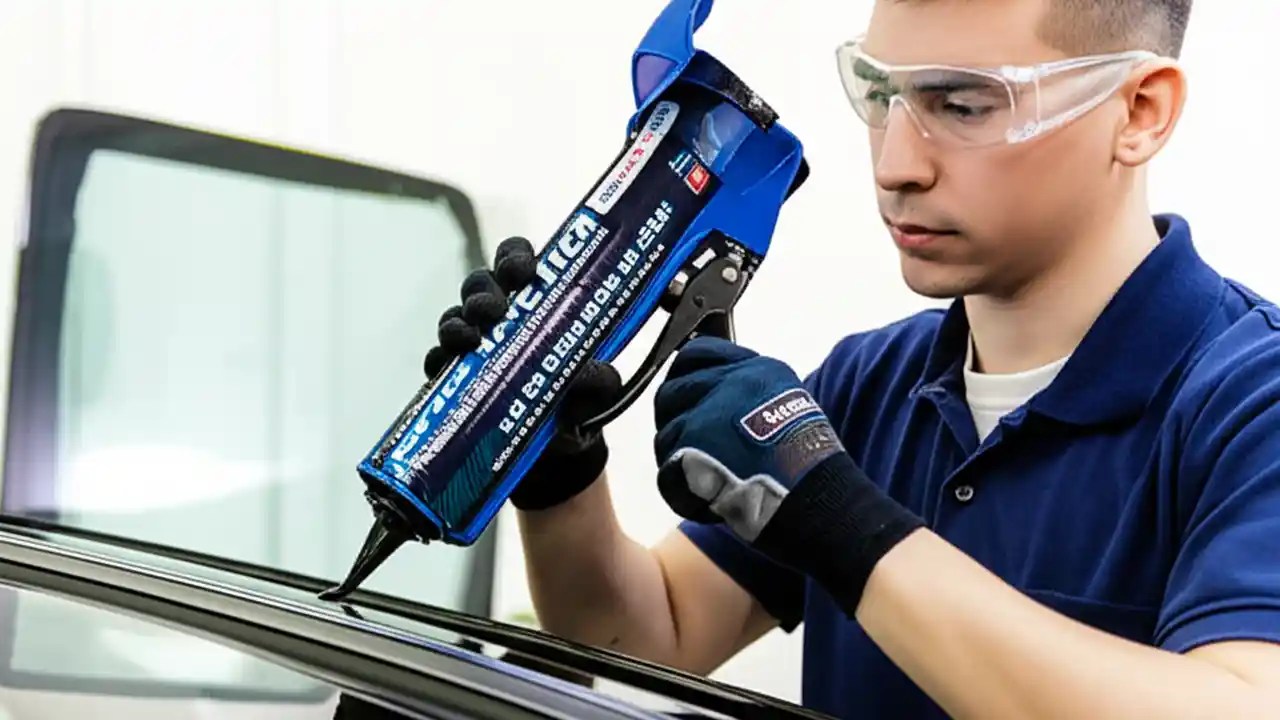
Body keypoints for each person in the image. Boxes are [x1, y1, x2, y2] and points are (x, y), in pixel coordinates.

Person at [423, 0, 1280, 717]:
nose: (897, 166)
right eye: (880, 94)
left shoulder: (1252, 400)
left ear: (1140, 112)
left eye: (965, 104)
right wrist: (551, 468)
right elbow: (644, 638)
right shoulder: (869, 385)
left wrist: (845, 526)